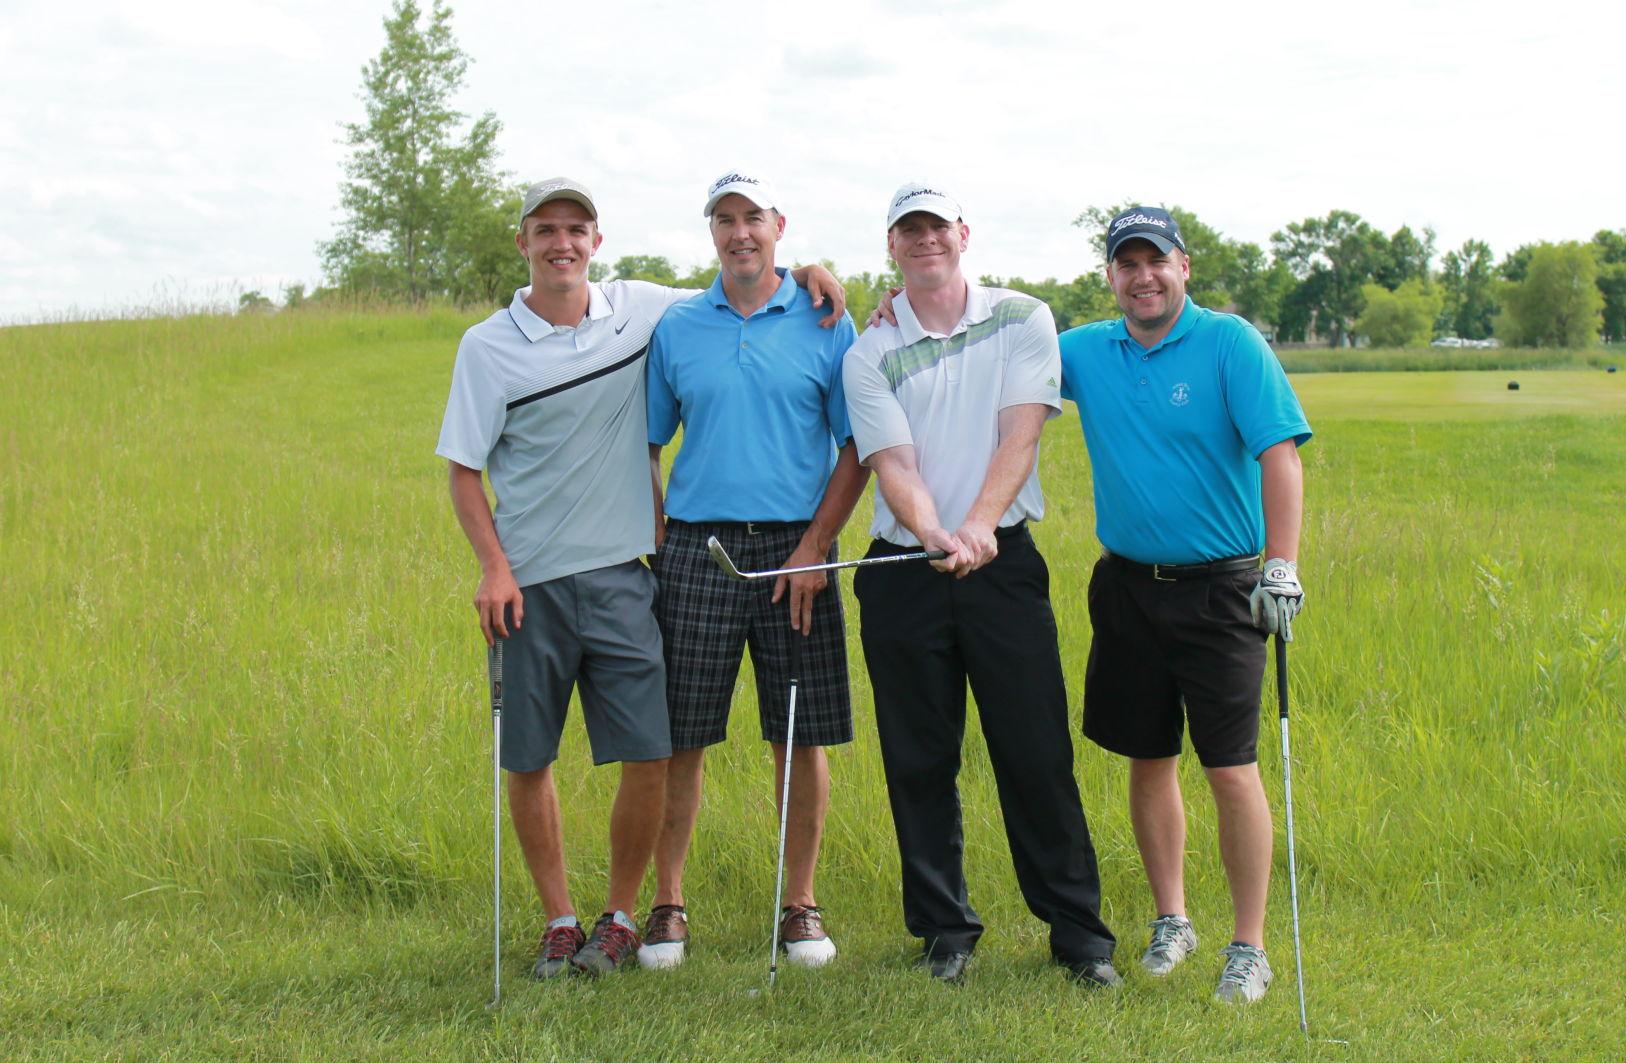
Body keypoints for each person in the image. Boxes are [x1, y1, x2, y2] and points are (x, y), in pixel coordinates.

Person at [437, 176, 845, 981]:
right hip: (607, 567)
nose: (562, 242)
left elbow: (849, 431)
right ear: (523, 242)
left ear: (597, 240)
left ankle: (712, 908)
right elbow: (482, 466)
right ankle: (611, 910)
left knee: (724, 742)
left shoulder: (688, 310)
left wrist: (811, 271)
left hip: (713, 562)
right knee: (602, 746)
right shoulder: (523, 340)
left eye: (577, 228)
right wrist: (502, 563)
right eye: (545, 229)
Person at [841, 183, 1118, 987]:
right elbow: (893, 463)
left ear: (962, 233)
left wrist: (978, 527)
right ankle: (944, 931)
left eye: (936, 226)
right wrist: (934, 532)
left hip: (1002, 564)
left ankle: (1079, 937)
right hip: (904, 569)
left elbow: (1019, 433)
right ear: (891, 246)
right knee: (919, 758)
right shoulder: (870, 351)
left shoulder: (1021, 317)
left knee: (1034, 752)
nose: (925, 240)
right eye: (908, 230)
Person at [1057, 205, 1311, 1003]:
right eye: (1126, 264)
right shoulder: (1085, 350)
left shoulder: (1229, 342)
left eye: (1154, 261)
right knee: (1146, 754)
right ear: (1110, 276)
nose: (1142, 276)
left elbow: (1277, 452)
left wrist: (1282, 565)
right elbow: (985, 341)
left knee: (1230, 768)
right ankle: (1172, 917)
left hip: (1223, 588)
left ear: (1182, 266)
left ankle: (1249, 944)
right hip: (1128, 585)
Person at [640, 172, 868, 970]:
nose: (740, 232)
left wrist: (816, 544)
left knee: (799, 735)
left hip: (795, 552)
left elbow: (854, 445)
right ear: (710, 231)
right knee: (679, 735)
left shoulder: (822, 318)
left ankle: (797, 902)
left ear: (779, 225)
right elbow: (647, 442)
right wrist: (660, 526)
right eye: (724, 219)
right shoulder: (677, 324)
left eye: (753, 218)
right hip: (698, 551)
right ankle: (667, 900)